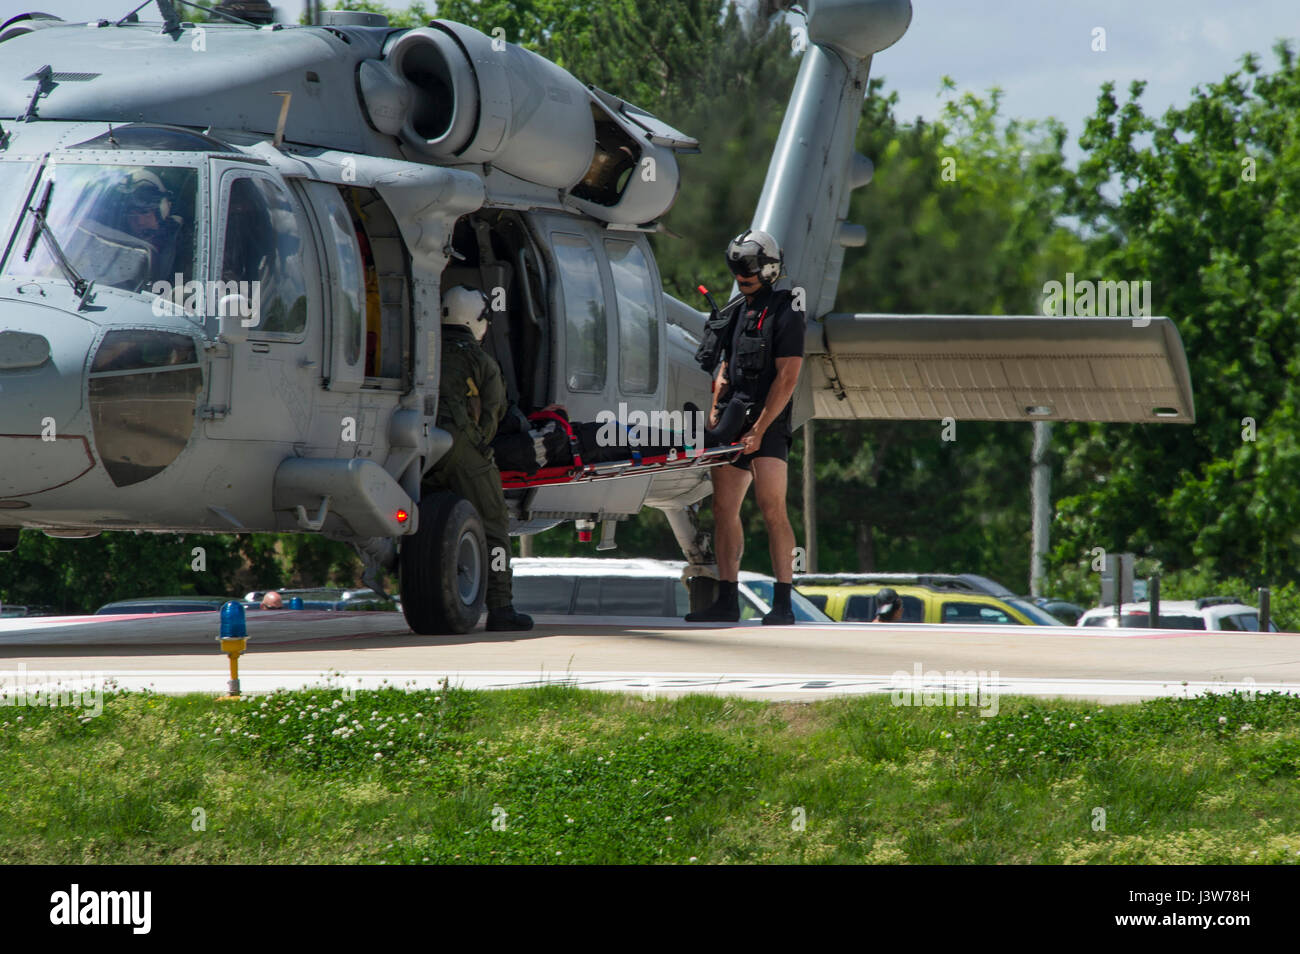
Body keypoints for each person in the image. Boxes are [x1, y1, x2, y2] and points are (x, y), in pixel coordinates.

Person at [686, 229, 805, 625]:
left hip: (767, 422)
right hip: (733, 416)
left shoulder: (788, 311)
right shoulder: (737, 310)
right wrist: (717, 399)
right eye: (737, 267)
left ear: (769, 268)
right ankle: (727, 599)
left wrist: (761, 428)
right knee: (723, 509)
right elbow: (724, 361)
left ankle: (784, 603)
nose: (742, 275)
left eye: (749, 268)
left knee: (772, 509)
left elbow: (787, 378)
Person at [424, 286, 533, 632]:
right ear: (476, 321)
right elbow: (491, 417)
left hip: (415, 448)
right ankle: (501, 607)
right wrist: (478, 451)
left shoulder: (425, 350)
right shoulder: (481, 360)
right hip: (461, 450)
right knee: (494, 523)